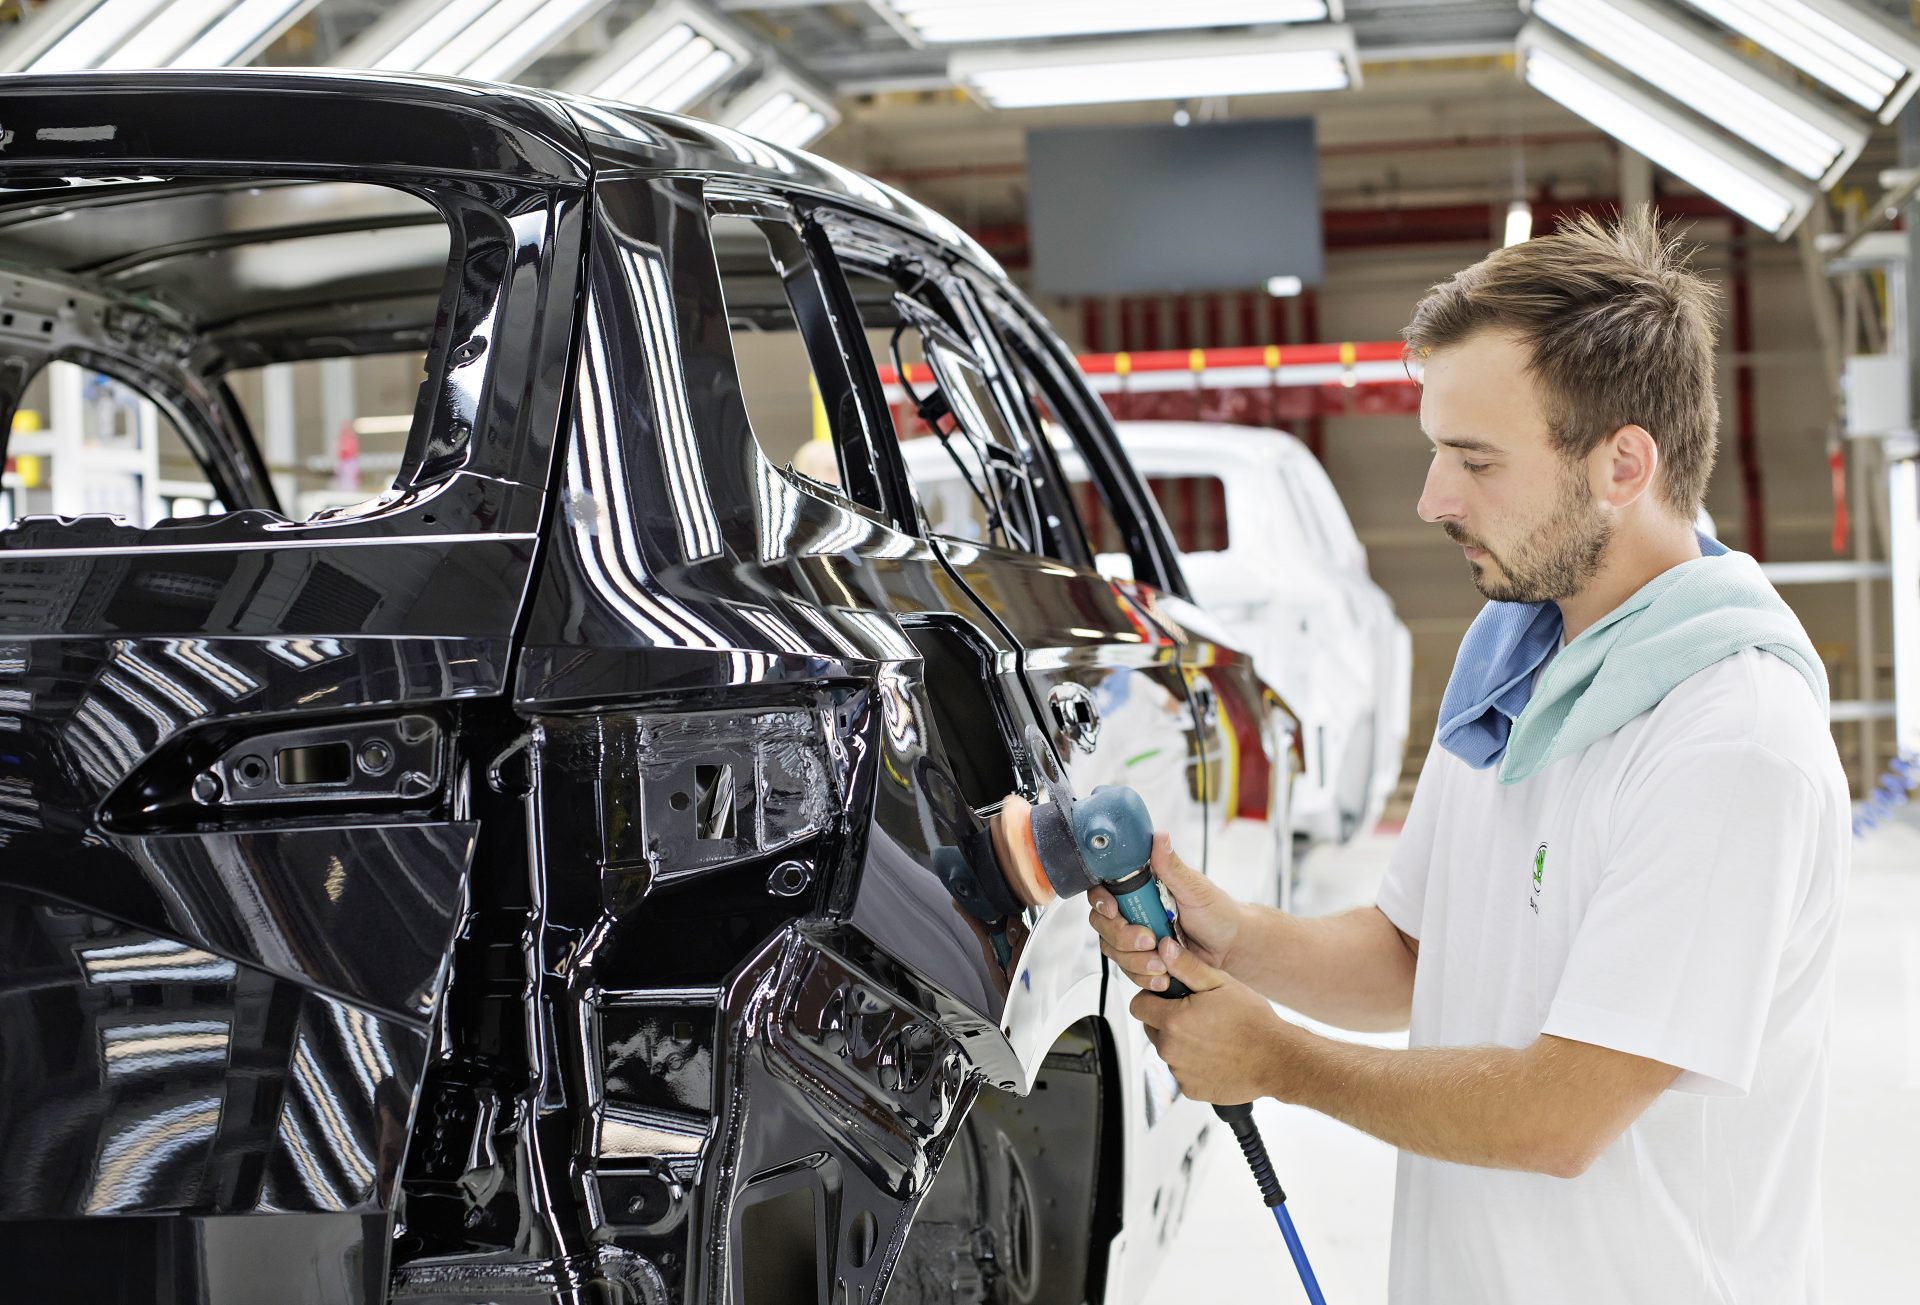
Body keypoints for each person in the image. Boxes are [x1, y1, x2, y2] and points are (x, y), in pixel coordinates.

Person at [1088, 206, 1850, 1303]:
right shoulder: (1518, 665)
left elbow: (1562, 1113)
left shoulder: (1728, 739)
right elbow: (1412, 954)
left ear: (1623, 464)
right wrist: (1234, 934)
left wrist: (1280, 1062)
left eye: (1475, 460)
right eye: (1436, 451)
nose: (1432, 499)